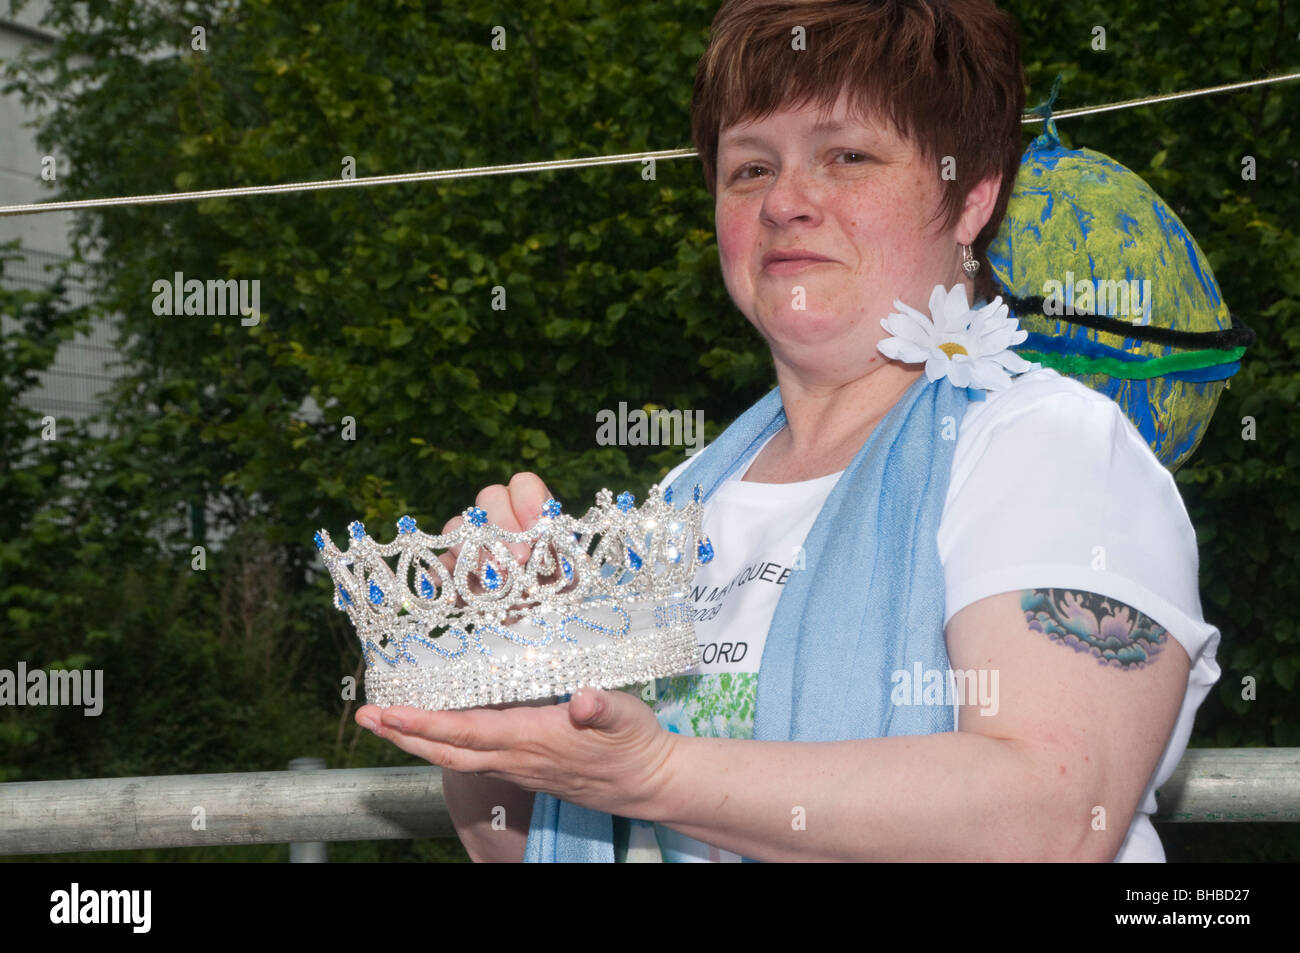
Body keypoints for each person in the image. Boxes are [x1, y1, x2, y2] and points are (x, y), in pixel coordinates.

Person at [354, 0, 1221, 862]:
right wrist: (505, 689)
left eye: (847, 156)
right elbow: (522, 844)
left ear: (972, 197)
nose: (785, 202)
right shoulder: (685, 496)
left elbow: (1051, 817)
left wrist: (655, 773)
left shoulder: (1052, 448)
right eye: (750, 168)